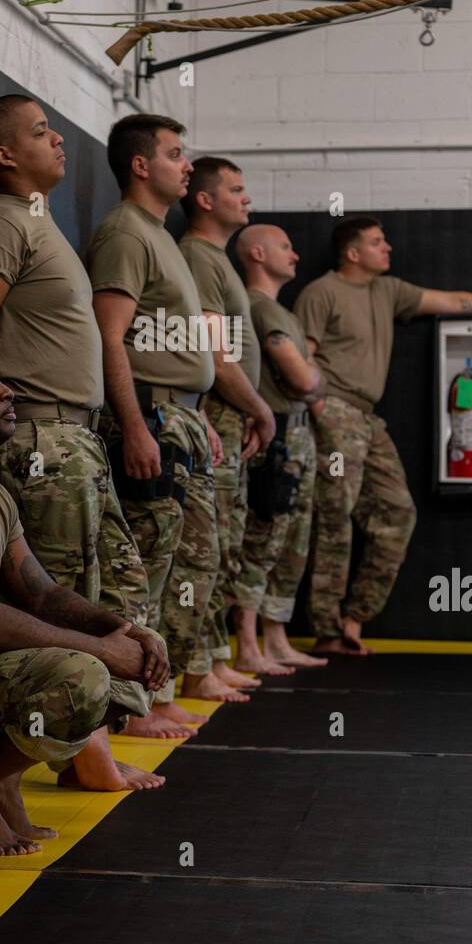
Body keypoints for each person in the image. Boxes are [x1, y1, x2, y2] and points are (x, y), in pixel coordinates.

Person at [0, 95, 184, 776]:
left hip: (77, 436)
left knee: (121, 588)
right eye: (41, 132)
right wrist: (7, 427)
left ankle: (101, 730)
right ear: (5, 155)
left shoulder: (41, 225)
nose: (58, 141)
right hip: (42, 440)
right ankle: (74, 758)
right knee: (70, 588)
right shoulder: (1, 222)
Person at [0, 343, 171, 855]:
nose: (6, 391)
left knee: (101, 659)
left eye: (1, 380)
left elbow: (42, 594)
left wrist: (123, 630)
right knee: (81, 676)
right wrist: (102, 651)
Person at [294, 215, 472, 656]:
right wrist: (321, 410)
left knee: (398, 514)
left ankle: (354, 618)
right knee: (335, 517)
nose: (387, 248)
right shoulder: (322, 292)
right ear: (353, 253)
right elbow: (300, 358)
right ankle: (327, 631)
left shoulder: (387, 290)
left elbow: (452, 301)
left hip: (368, 419)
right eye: (377, 242)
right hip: (333, 409)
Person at [87, 113, 228, 720]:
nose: (187, 165)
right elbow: (108, 336)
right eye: (175, 154)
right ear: (140, 165)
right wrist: (139, 426)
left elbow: (171, 340)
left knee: (195, 558)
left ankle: (161, 692)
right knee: (147, 564)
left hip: (182, 417)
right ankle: (134, 703)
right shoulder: (126, 232)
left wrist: (201, 413)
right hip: (152, 417)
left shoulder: (160, 234)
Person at [179, 158, 278, 686]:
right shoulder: (198, 257)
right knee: (208, 543)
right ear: (205, 199)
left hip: (234, 418)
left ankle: (214, 656)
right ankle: (197, 667)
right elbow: (217, 358)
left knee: (227, 542)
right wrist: (260, 408)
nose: (246, 197)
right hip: (222, 413)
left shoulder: (216, 259)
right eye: (236, 189)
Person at [232, 224, 327, 670]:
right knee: (265, 537)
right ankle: (248, 645)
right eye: (285, 247)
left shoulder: (280, 310)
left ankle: (275, 637)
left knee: (293, 540)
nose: (295, 255)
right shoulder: (256, 307)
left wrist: (312, 380)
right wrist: (314, 376)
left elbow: (309, 382)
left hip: (299, 430)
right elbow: (305, 379)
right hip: (280, 433)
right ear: (257, 253)